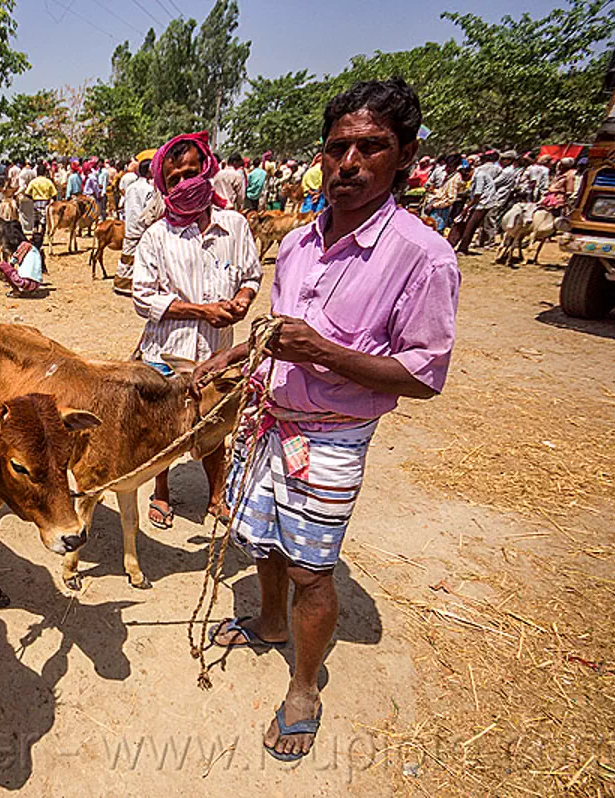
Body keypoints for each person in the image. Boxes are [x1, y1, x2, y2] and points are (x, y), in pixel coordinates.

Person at [193, 78, 458, 763]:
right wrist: (234, 363)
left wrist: (325, 353)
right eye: (339, 146)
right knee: (259, 539)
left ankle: (305, 686)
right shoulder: (302, 242)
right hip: (269, 420)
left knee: (314, 570)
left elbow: (425, 375)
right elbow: (279, 331)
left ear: (405, 156)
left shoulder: (422, 255)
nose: (350, 162)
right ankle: (269, 620)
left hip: (331, 437)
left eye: (372, 147)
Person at [133, 130, 262, 531]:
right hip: (166, 351)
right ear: (163, 185)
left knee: (217, 424)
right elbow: (142, 297)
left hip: (217, 350)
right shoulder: (157, 236)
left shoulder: (234, 226)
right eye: (174, 179)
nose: (185, 183)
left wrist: (242, 301)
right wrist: (200, 310)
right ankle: (161, 492)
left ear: (207, 170)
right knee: (164, 429)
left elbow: (252, 275)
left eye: (191, 172)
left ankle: (217, 496)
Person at [116, 158, 155, 296]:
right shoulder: (149, 190)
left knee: (127, 255)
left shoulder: (131, 188)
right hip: (142, 228)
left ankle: (121, 283)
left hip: (130, 225)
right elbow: (150, 211)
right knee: (141, 258)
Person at [447, 154, 496, 253]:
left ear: (469, 172)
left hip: (483, 203)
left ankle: (463, 248)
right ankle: (452, 243)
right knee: (462, 222)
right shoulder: (476, 175)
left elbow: (477, 195)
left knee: (471, 225)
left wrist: (466, 208)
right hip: (477, 203)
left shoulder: (479, 176)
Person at [0, 230, 44, 296]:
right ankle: (32, 291)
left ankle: (16, 291)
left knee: (2, 265)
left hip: (24, 283)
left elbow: (13, 260)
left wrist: (9, 276)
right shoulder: (38, 253)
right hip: (36, 285)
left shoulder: (25, 245)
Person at [26, 164, 58, 247]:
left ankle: (34, 237)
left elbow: (27, 193)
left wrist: (33, 198)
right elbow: (54, 194)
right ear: (45, 172)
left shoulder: (33, 182)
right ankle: (41, 238)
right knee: (43, 223)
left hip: (36, 202)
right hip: (45, 203)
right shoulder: (48, 182)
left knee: (35, 222)